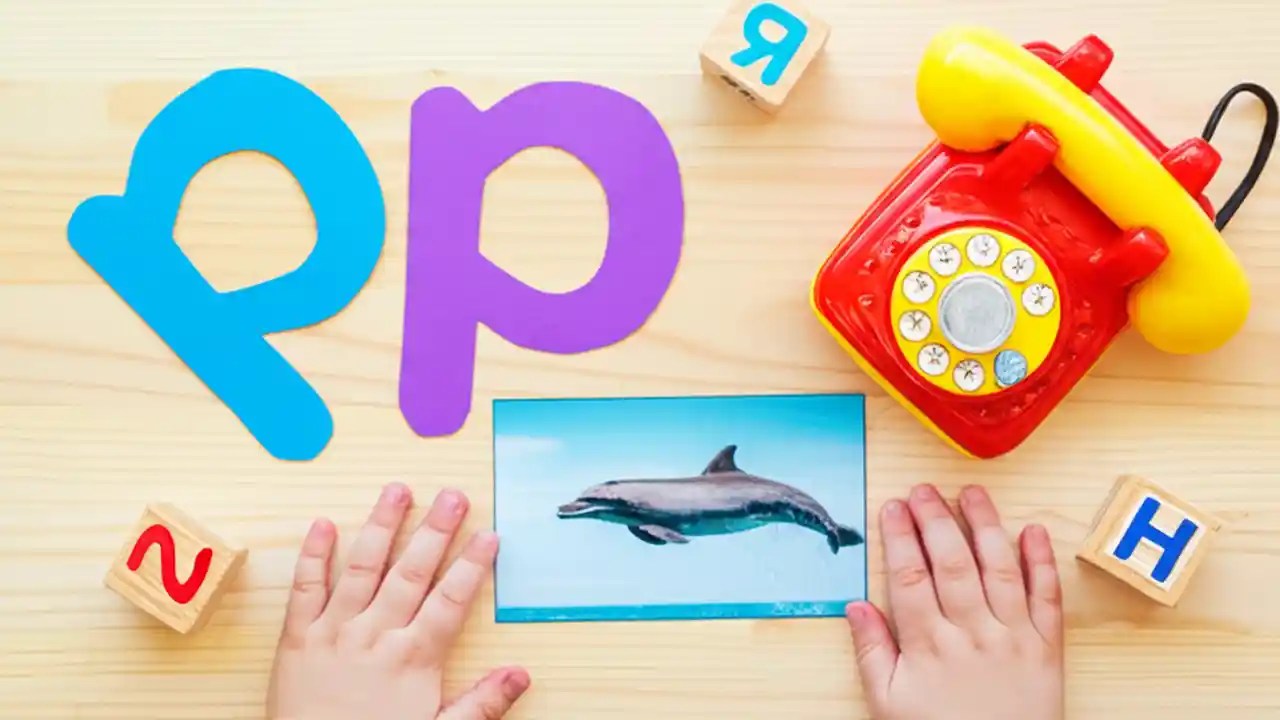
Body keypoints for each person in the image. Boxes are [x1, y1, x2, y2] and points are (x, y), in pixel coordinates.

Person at [267, 482, 1063, 719]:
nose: (588, 510)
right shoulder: (632, 510)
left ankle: (822, 529)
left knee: (796, 516)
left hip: (736, 501)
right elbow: (649, 530)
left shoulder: (651, 511)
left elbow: (658, 532)